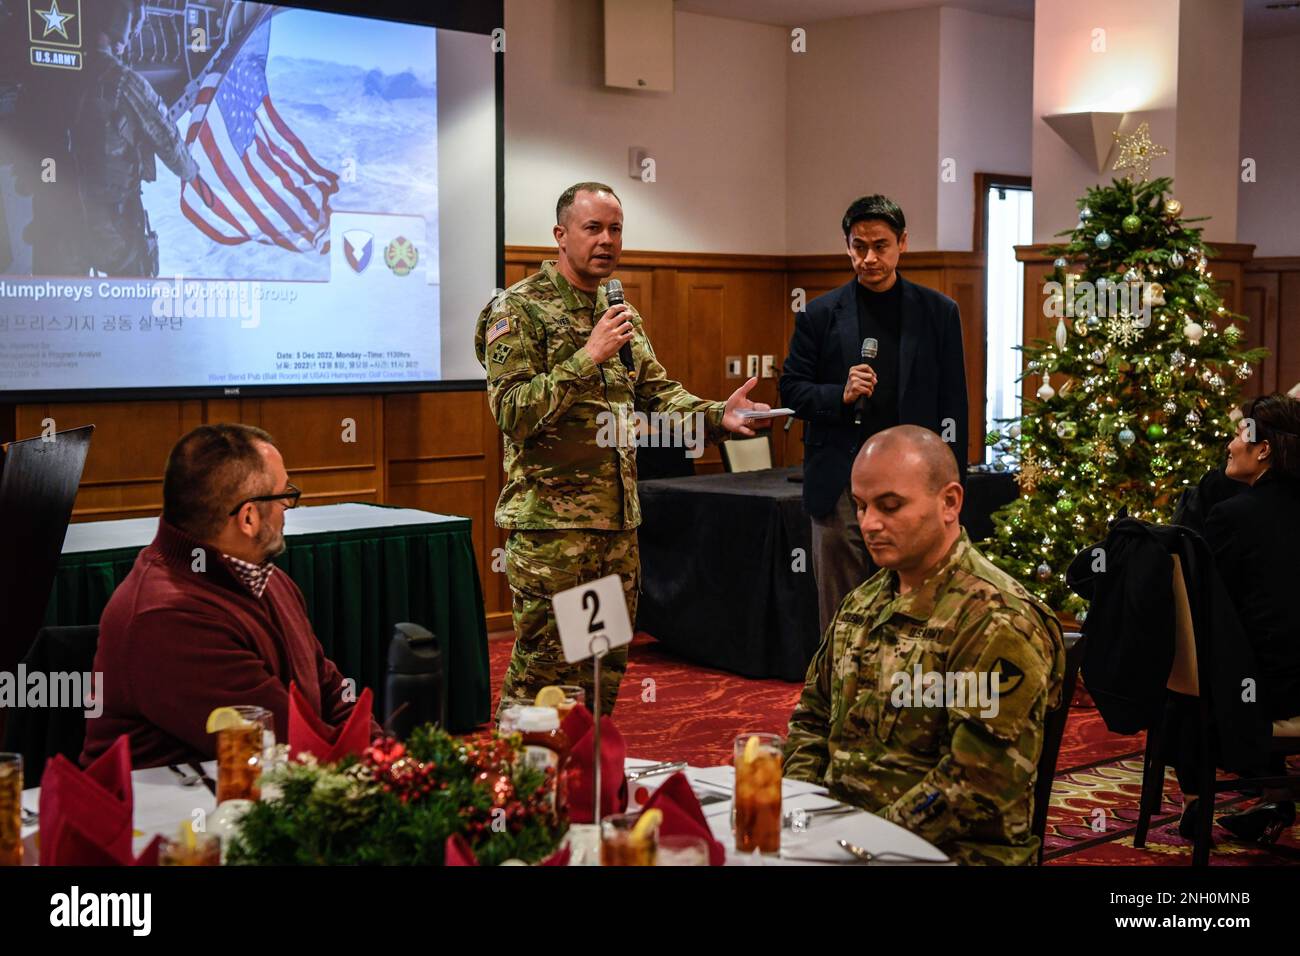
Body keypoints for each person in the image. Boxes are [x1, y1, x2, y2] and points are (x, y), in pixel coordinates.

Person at [475, 181, 768, 718]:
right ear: (560, 235)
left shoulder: (618, 312)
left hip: (614, 530)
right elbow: (513, 413)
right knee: (544, 675)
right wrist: (586, 356)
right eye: (593, 228)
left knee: (597, 670)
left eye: (615, 229)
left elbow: (659, 394)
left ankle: (584, 789)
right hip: (552, 535)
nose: (607, 240)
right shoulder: (517, 311)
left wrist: (716, 416)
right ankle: (522, 795)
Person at [784, 425, 1064, 865]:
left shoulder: (995, 620)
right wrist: (799, 812)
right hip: (843, 840)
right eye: (860, 506)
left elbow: (976, 784)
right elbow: (812, 720)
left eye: (890, 506)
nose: (869, 523)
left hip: (949, 853)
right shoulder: (863, 601)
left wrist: (855, 843)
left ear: (949, 502)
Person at [81, 424, 378, 768]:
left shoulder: (270, 579)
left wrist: (382, 751)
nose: (287, 506)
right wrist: (376, 767)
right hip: (169, 817)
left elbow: (330, 688)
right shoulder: (167, 617)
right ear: (248, 517)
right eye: (284, 495)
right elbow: (283, 744)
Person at [780, 195, 968, 633]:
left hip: (916, 483)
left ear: (902, 243)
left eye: (880, 245)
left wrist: (954, 485)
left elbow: (953, 404)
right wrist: (838, 394)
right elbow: (792, 389)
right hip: (840, 485)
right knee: (843, 618)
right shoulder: (820, 314)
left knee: (916, 607)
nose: (868, 258)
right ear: (847, 246)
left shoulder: (939, 312)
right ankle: (841, 698)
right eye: (858, 246)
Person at [1194, 394, 1300, 843]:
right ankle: (1273, 791)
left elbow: (1210, 610)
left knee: (1190, 669)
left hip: (1275, 690)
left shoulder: (1234, 516)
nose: (1230, 443)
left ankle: (1197, 800)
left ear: (1264, 449)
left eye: (1240, 434)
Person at [69, 0, 212, 276]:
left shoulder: (69, 75)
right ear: (119, 27)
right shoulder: (126, 82)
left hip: (70, 212)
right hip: (116, 220)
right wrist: (193, 174)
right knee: (133, 291)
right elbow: (167, 138)